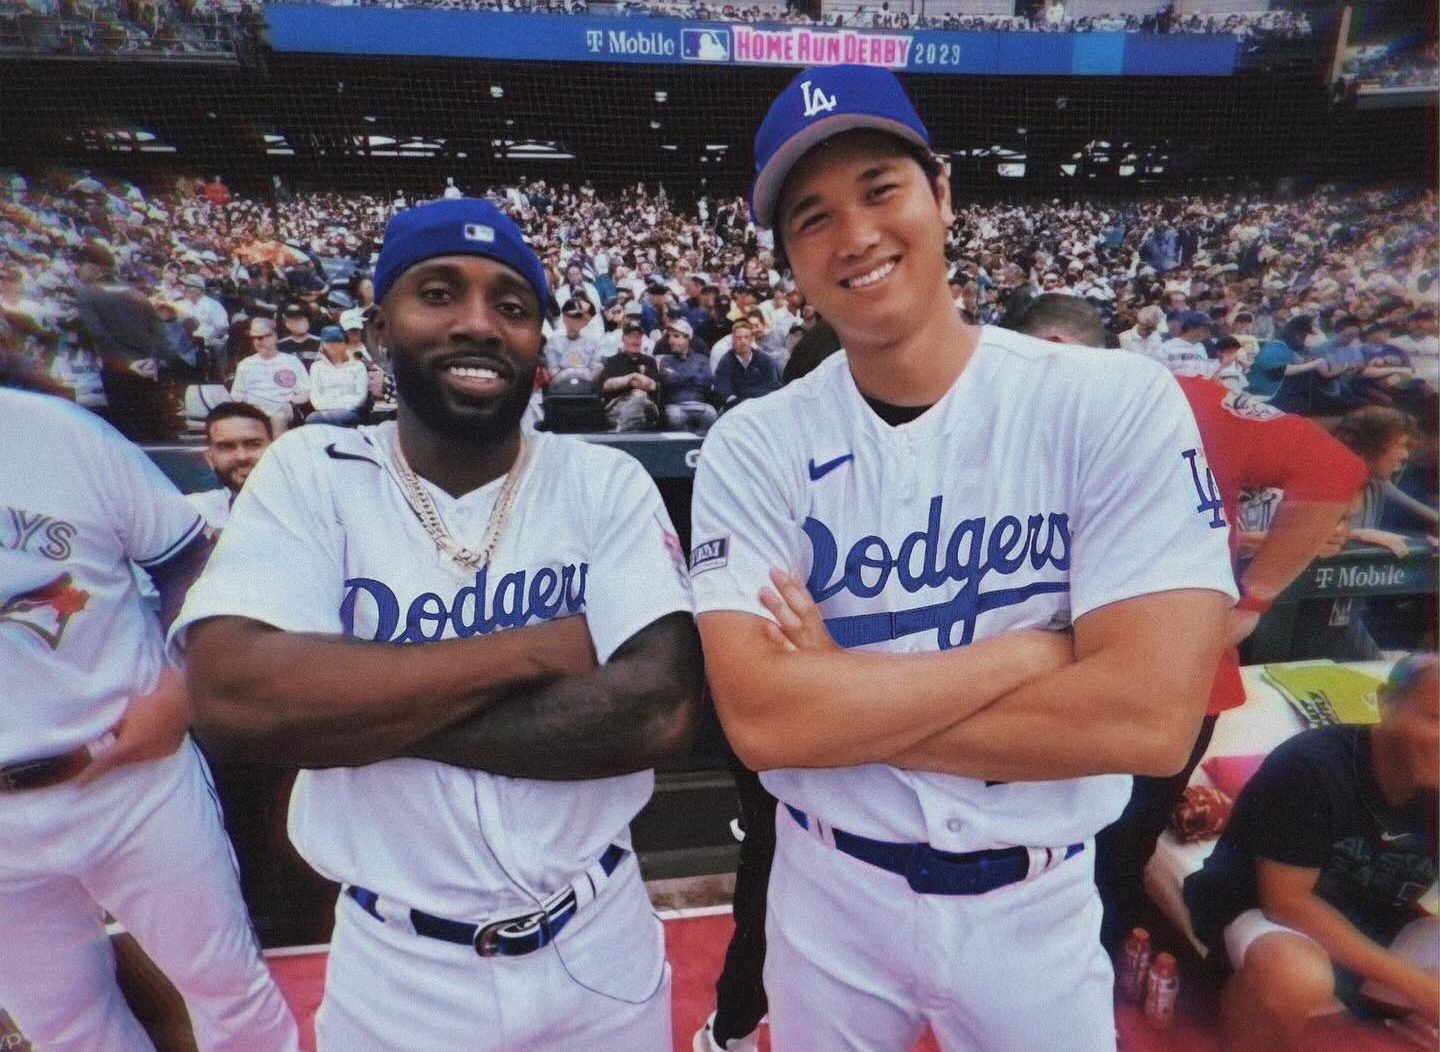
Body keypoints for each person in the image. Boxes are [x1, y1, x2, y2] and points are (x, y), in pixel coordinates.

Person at [690, 66, 1235, 1052]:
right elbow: (766, 719)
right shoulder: (753, 442)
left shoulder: (1112, 398)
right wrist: (1035, 655)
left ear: (942, 195)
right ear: (788, 259)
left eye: (880, 189)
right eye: (811, 215)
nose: (852, 233)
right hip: (830, 893)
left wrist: (841, 696)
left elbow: (1149, 718)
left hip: (1038, 897)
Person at [170, 198, 703, 1052]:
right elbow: (233, 696)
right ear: (381, 326)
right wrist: (532, 650)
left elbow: (653, 712)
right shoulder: (312, 469)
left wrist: (351, 712)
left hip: (598, 944)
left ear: (538, 343)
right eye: (440, 294)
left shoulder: (602, 483)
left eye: (513, 306)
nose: (479, 324)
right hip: (401, 969)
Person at [1008, 292, 1370, 952]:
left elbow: (1334, 470)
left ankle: (1086, 990)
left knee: (1112, 850)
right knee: (1045, 845)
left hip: (1161, 685)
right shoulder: (994, 417)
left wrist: (1253, 603)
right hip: (1048, 678)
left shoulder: (1189, 403)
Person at [0, 383, 299, 1052]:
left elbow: (188, 558)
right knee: (63, 1028)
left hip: (127, 769)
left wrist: (182, 679)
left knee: (226, 989)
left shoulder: (54, 431)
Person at [1183, 654, 1440, 1052]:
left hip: (1376, 920)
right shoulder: (1312, 764)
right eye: (1435, 718)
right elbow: (1286, 903)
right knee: (1296, 975)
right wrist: (1417, 986)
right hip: (1263, 914)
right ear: (1387, 703)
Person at [188, 400, 274, 532]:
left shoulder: (310, 506)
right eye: (226, 446)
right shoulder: (195, 512)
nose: (242, 456)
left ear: (276, 450)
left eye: (253, 444)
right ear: (210, 458)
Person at [229, 315, 309, 435]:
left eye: (266, 336)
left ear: (275, 336)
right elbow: (237, 396)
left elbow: (306, 392)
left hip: (284, 407)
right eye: (256, 338)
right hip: (255, 409)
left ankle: (278, 453)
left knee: (278, 417)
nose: (260, 341)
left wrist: (290, 402)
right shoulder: (245, 364)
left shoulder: (291, 361)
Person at [598, 320, 663, 431]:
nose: (635, 340)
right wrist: (632, 376)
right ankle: (628, 428)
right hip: (618, 405)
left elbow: (654, 386)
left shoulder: (649, 361)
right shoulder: (613, 360)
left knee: (639, 396)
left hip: (646, 405)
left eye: (638, 337)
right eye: (630, 336)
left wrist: (624, 382)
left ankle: (622, 430)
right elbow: (607, 385)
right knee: (638, 395)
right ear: (623, 339)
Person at [656, 318, 718, 434]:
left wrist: (678, 375)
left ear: (687, 338)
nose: (671, 341)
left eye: (675, 336)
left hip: (701, 404)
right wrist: (693, 375)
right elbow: (667, 380)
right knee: (675, 417)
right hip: (676, 405)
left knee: (712, 414)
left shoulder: (702, 359)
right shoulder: (666, 360)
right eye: (670, 337)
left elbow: (707, 382)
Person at [306, 324, 369, 427]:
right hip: (323, 411)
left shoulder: (358, 366)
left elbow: (361, 397)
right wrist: (330, 408)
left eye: (338, 341)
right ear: (322, 344)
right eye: (328, 341)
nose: (333, 345)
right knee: (312, 419)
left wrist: (340, 407)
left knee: (341, 418)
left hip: (351, 411)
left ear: (346, 344)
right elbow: (315, 397)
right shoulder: (316, 367)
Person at [712, 319, 780, 409]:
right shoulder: (725, 362)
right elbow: (723, 390)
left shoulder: (765, 360)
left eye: (746, 337)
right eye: (738, 338)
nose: (743, 341)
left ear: (751, 339)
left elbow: (773, 386)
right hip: (737, 407)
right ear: (732, 341)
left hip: (763, 405)